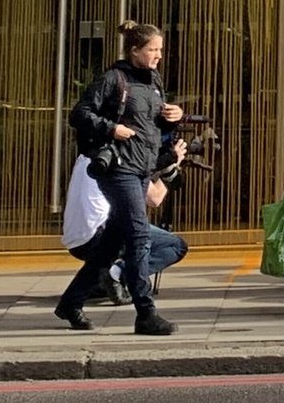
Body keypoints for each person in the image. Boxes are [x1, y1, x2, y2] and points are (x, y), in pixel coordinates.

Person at [58, 20, 183, 335]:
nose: (158, 56)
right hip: (117, 169)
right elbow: (79, 114)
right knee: (139, 236)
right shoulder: (114, 79)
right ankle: (145, 313)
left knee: (109, 246)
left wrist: (173, 117)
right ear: (135, 50)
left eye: (160, 50)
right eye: (153, 50)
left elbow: (152, 128)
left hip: (141, 168)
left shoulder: (153, 82)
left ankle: (70, 304)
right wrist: (112, 129)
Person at [59, 140, 191, 307]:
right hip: (100, 236)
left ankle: (98, 284)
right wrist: (172, 167)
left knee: (127, 225)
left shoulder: (87, 156)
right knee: (175, 245)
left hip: (76, 242)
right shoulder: (125, 158)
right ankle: (117, 273)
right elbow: (155, 198)